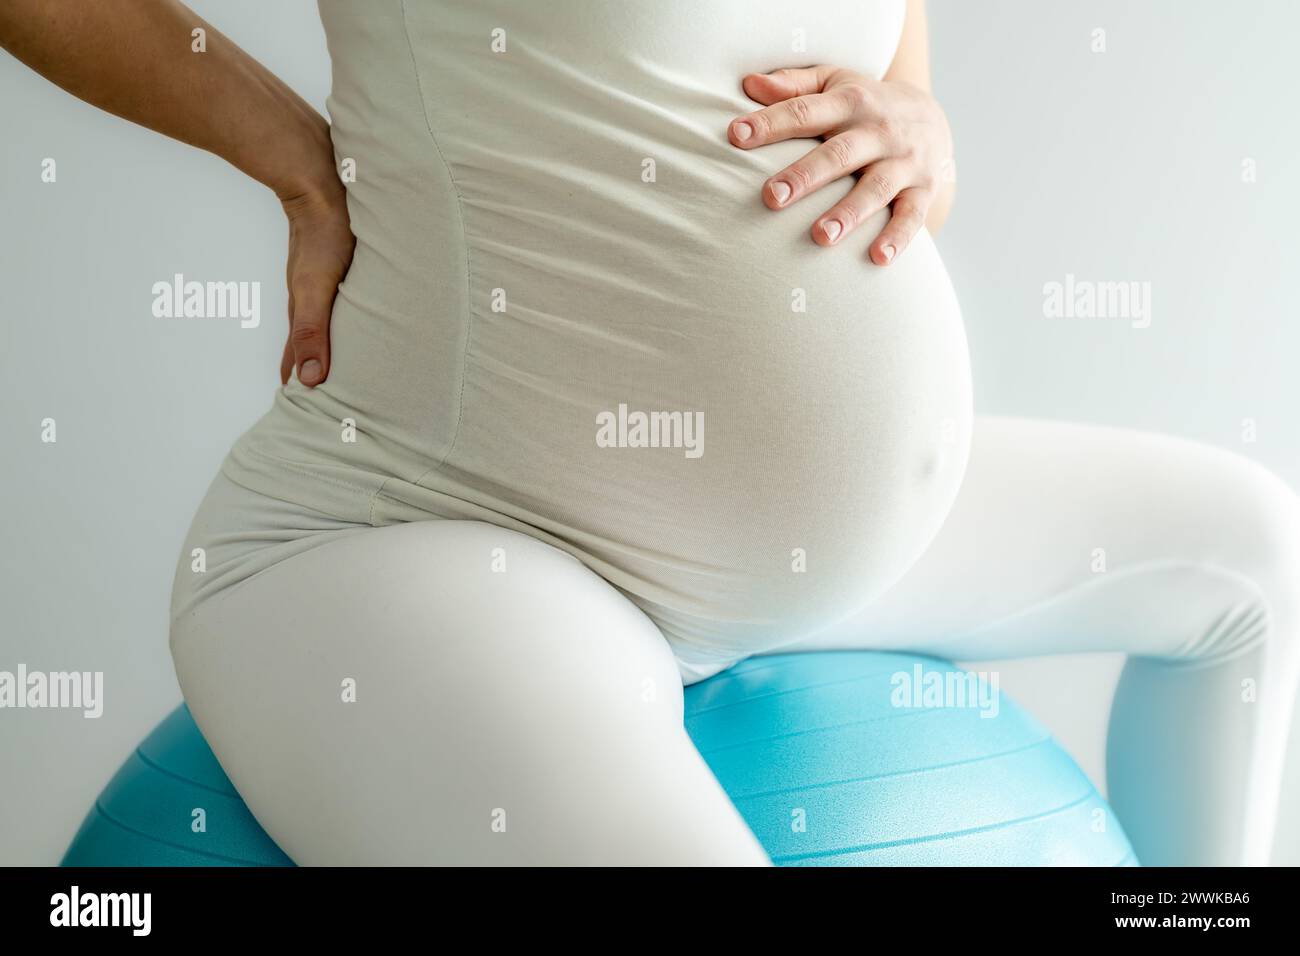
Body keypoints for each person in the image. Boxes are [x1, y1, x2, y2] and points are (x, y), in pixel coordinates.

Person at [5, 0, 1297, 865]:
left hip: (787, 562)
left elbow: (881, 56)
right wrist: (290, 152)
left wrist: (920, 120)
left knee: (1248, 555)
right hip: (432, 526)